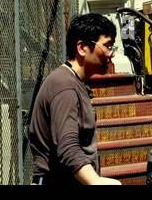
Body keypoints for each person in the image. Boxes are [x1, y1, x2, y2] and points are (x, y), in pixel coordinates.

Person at [28, 13, 121, 185]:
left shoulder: (74, 82)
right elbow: (68, 147)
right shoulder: (65, 86)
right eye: (107, 46)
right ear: (81, 48)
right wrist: (96, 181)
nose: (111, 54)